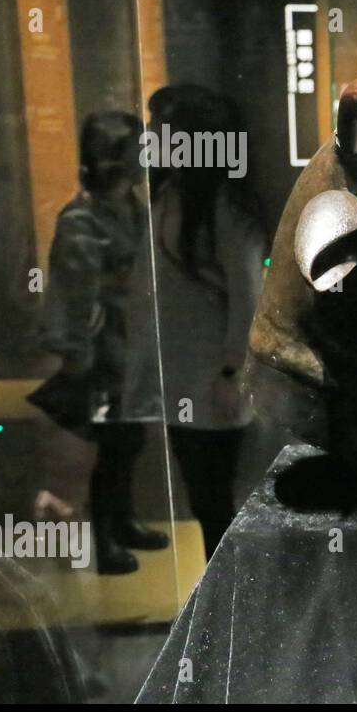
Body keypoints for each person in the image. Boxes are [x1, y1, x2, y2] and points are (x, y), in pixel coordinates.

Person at [123, 86, 266, 560]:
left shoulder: (221, 204)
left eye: (161, 125)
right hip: (181, 376)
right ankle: (222, 603)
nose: (152, 133)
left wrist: (231, 373)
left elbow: (248, 295)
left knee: (215, 501)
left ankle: (229, 606)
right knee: (206, 500)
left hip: (211, 381)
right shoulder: (173, 194)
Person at [36, 112, 168, 574]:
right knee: (109, 447)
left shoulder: (128, 206)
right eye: (135, 152)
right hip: (102, 351)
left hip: (128, 345)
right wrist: (77, 355)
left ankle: (123, 521)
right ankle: (105, 536)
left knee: (128, 441)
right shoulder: (82, 218)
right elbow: (76, 296)